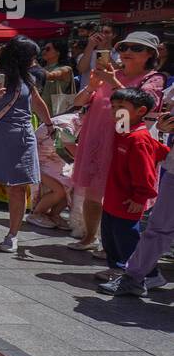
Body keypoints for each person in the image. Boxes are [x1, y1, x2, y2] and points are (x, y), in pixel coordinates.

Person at [67, 30, 165, 252]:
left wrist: (111, 81)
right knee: (93, 192)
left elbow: (143, 105)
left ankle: (113, 246)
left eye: (136, 48)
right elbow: (79, 101)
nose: (128, 52)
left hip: (125, 143)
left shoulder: (154, 79)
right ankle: (90, 236)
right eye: (124, 47)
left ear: (150, 53)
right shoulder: (113, 73)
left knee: (118, 195)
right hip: (97, 137)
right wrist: (92, 86)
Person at [0, 36, 53, 253]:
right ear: (22, 57)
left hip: (23, 139)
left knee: (18, 189)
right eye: (32, 57)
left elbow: (37, 103)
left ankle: (12, 236)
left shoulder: (28, 80)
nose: (34, 62)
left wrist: (50, 124)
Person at [92, 88, 169, 286]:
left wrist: (140, 197)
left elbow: (146, 173)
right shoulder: (125, 130)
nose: (115, 111)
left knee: (127, 238)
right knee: (110, 236)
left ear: (141, 110)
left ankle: (147, 274)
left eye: (122, 107)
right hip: (113, 196)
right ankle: (117, 269)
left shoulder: (138, 139)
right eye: (114, 106)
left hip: (128, 200)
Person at [26, 109, 81, 231]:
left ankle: (53, 214)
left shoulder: (75, 121)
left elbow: (60, 148)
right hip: (37, 160)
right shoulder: (66, 125)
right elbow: (71, 150)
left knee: (71, 184)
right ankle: (36, 213)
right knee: (60, 190)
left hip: (53, 158)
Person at [39, 37, 78, 115]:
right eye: (43, 49)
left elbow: (51, 76)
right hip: (40, 112)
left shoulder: (66, 69)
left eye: (48, 49)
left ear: (58, 52)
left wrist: (33, 64)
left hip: (57, 114)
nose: (44, 51)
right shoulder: (42, 68)